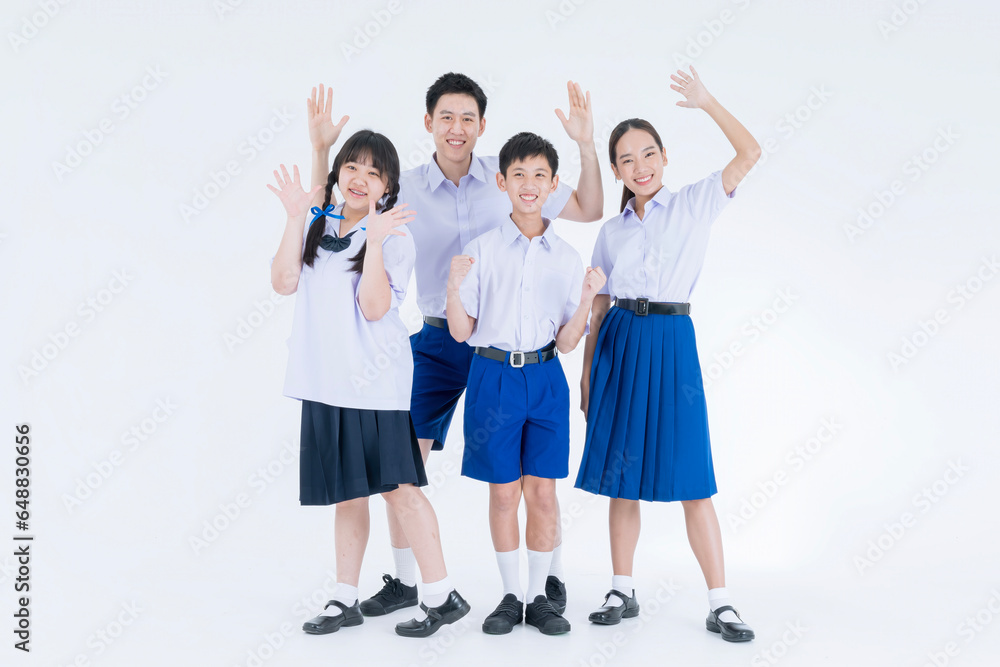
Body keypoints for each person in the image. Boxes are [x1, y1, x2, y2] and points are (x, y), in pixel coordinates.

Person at [305, 74, 604, 616]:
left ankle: (549, 578)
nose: (457, 128)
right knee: (402, 463)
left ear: (482, 126)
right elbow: (339, 202)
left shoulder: (510, 176)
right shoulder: (407, 187)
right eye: (446, 117)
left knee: (533, 473)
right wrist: (322, 149)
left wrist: (585, 142)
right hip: (442, 338)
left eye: (468, 118)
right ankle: (403, 581)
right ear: (428, 123)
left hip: (508, 347)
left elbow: (588, 207)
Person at [574, 67, 761, 642]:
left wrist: (706, 101)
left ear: (663, 156)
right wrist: (586, 374)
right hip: (621, 343)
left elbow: (750, 151)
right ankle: (621, 587)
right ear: (615, 171)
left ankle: (720, 601)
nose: (640, 167)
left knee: (693, 477)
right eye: (627, 160)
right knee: (621, 478)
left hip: (673, 341)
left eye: (648, 153)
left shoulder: (695, 204)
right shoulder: (612, 230)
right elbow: (599, 305)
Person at [268, 129, 469, 638]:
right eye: (352, 167)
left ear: (388, 186)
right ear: (338, 173)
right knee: (347, 496)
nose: (359, 179)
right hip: (325, 383)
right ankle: (344, 598)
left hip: (374, 387)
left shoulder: (395, 235)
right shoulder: (318, 221)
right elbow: (283, 281)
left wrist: (374, 243)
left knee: (399, 490)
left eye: (373, 173)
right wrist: (295, 217)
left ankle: (442, 595)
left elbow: (375, 307)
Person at [446, 132, 606, 635]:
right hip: (492, 375)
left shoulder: (565, 257)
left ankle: (539, 597)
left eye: (540, 176)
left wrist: (585, 300)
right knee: (502, 494)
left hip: (544, 378)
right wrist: (453, 286)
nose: (530, 185)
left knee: (541, 492)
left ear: (554, 184)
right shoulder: (480, 250)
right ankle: (510, 594)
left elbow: (565, 343)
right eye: (519, 175)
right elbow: (461, 331)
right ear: (502, 182)